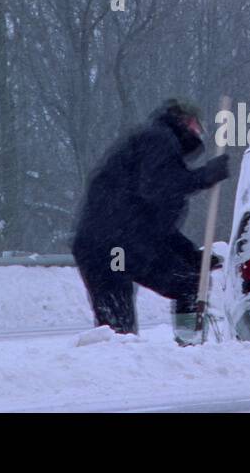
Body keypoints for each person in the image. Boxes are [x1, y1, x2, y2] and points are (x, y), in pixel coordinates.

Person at [71, 99, 230, 345]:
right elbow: (157, 187)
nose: (199, 133)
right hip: (113, 247)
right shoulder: (158, 139)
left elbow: (156, 225)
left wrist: (191, 255)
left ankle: (185, 347)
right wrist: (203, 176)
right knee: (119, 323)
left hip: (114, 241)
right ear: (184, 121)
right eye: (197, 125)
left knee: (121, 323)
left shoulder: (158, 146)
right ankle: (189, 347)